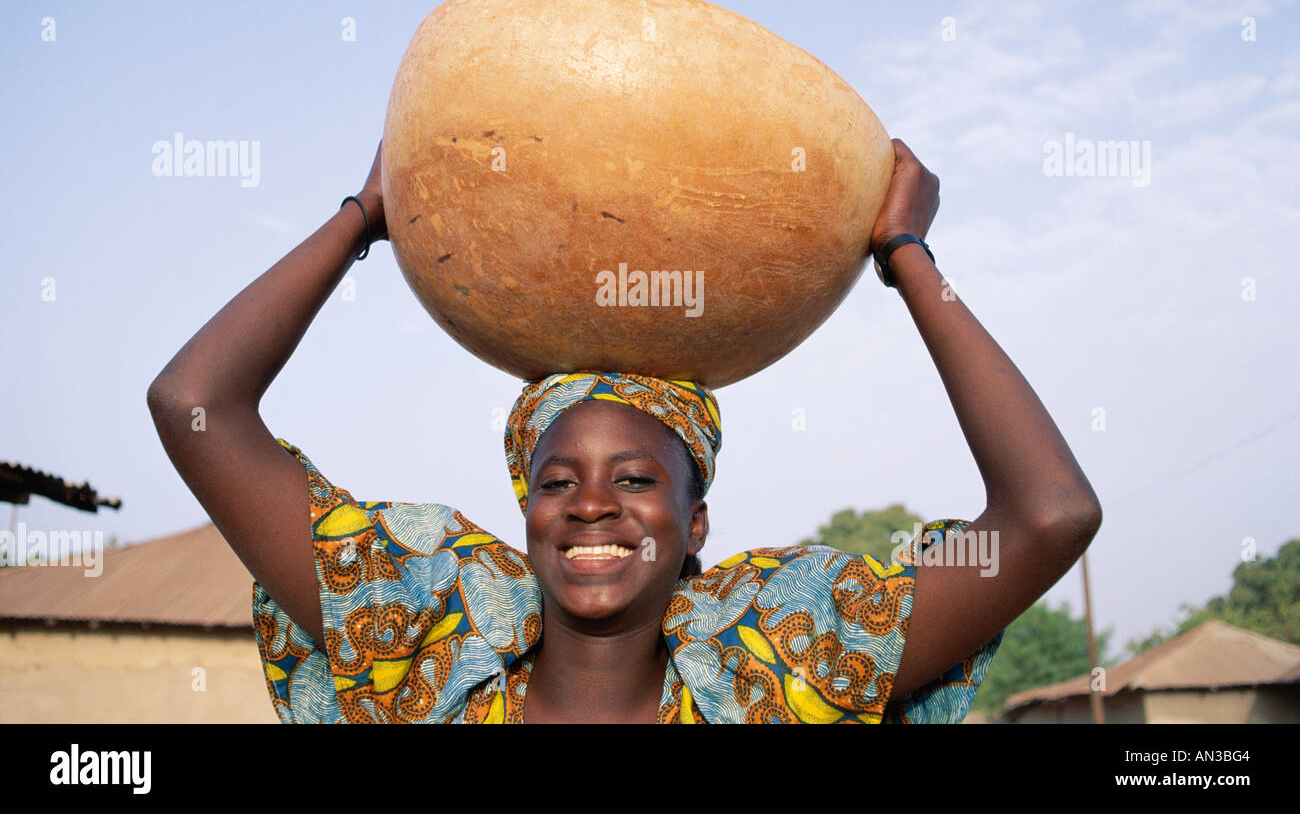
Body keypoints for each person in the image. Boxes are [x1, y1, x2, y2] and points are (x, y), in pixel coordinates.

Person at [147, 138, 1102, 723]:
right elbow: (195, 402)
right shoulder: (418, 660)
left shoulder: (787, 673)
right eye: (557, 481)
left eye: (637, 480)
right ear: (526, 512)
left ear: (695, 525)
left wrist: (904, 254)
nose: (591, 503)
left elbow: (1050, 514)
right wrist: (370, 213)